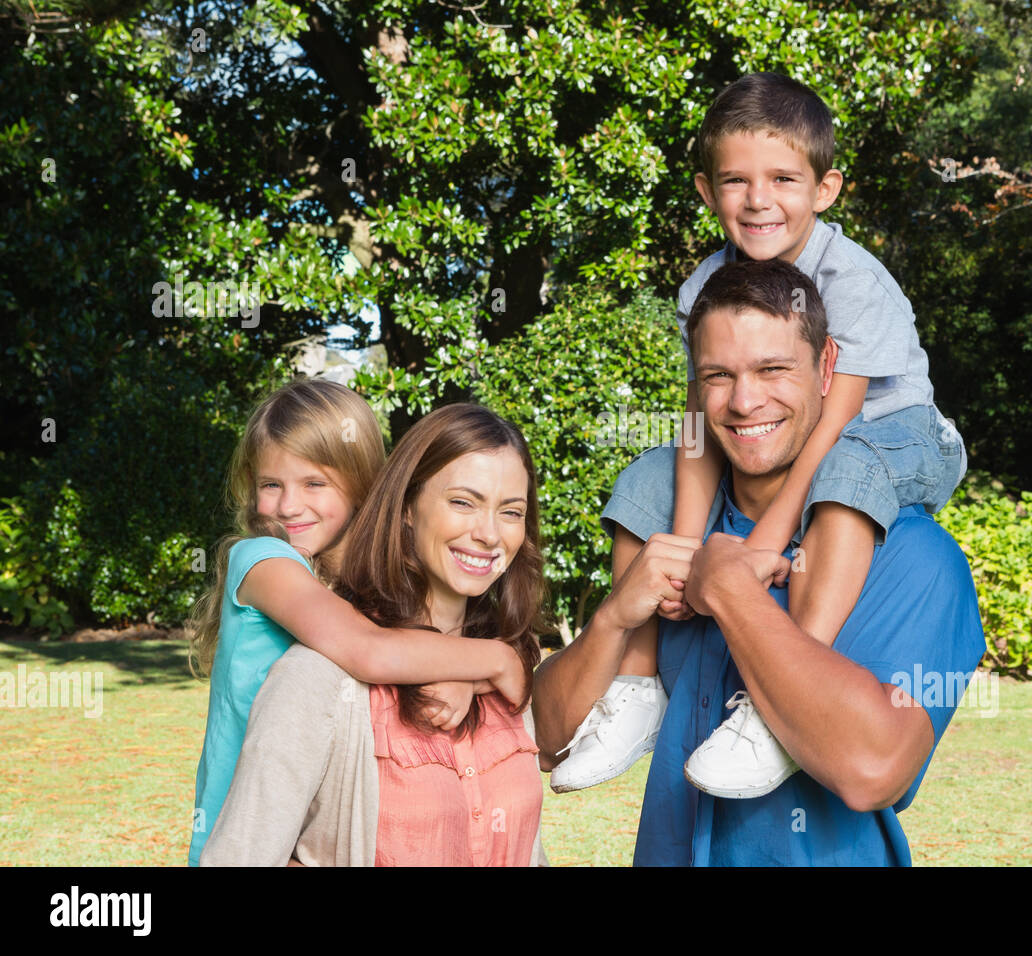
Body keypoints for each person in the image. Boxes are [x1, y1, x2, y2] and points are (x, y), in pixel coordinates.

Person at [547, 71, 968, 799]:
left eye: (782, 178)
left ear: (826, 189)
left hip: (895, 436)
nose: (759, 200)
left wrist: (761, 550)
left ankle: (778, 708)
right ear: (709, 194)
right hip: (822, 444)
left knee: (849, 468)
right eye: (735, 181)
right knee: (649, 469)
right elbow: (694, 423)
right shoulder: (704, 285)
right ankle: (638, 684)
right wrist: (680, 559)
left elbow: (835, 424)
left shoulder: (852, 284)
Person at [533, 259, 985, 865]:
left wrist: (732, 591)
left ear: (827, 367)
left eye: (773, 369)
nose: (745, 401)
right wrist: (614, 619)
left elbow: (875, 770)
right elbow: (544, 738)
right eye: (719, 375)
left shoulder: (912, 555)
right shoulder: (664, 535)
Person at [186, 381, 527, 866]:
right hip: (246, 841)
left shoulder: (354, 580)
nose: (287, 506)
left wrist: (464, 677)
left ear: (361, 480)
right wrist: (494, 660)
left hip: (314, 831)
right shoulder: (262, 559)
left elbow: (402, 650)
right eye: (270, 484)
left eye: (314, 484)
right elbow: (370, 651)